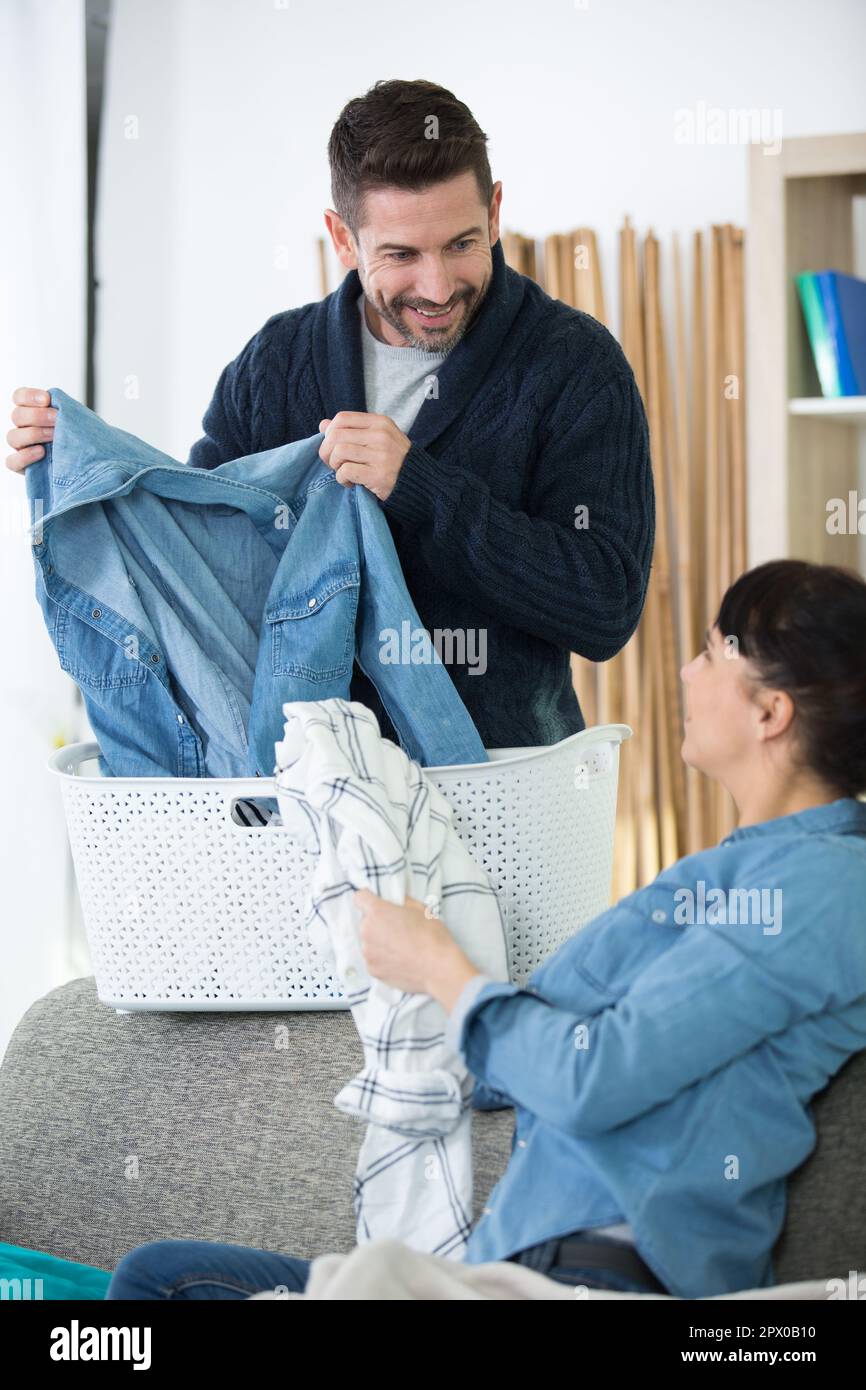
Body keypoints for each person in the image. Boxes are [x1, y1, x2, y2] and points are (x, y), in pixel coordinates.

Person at [103, 558, 866, 1300]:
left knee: (161, 1284)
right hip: (515, 1263)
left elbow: (590, 1077)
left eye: (711, 652)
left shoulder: (822, 886)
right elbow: (516, 1075)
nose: (688, 673)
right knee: (158, 1273)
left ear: (771, 712)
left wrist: (440, 968)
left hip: (596, 1272)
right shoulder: (734, 875)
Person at [6, 78, 654, 752]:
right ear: (342, 237)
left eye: (461, 244)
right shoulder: (276, 364)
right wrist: (84, 462)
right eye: (401, 255)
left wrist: (420, 490)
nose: (437, 286)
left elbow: (605, 605)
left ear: (494, 212)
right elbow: (202, 552)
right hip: (301, 815)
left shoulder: (574, 365)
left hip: (500, 798)